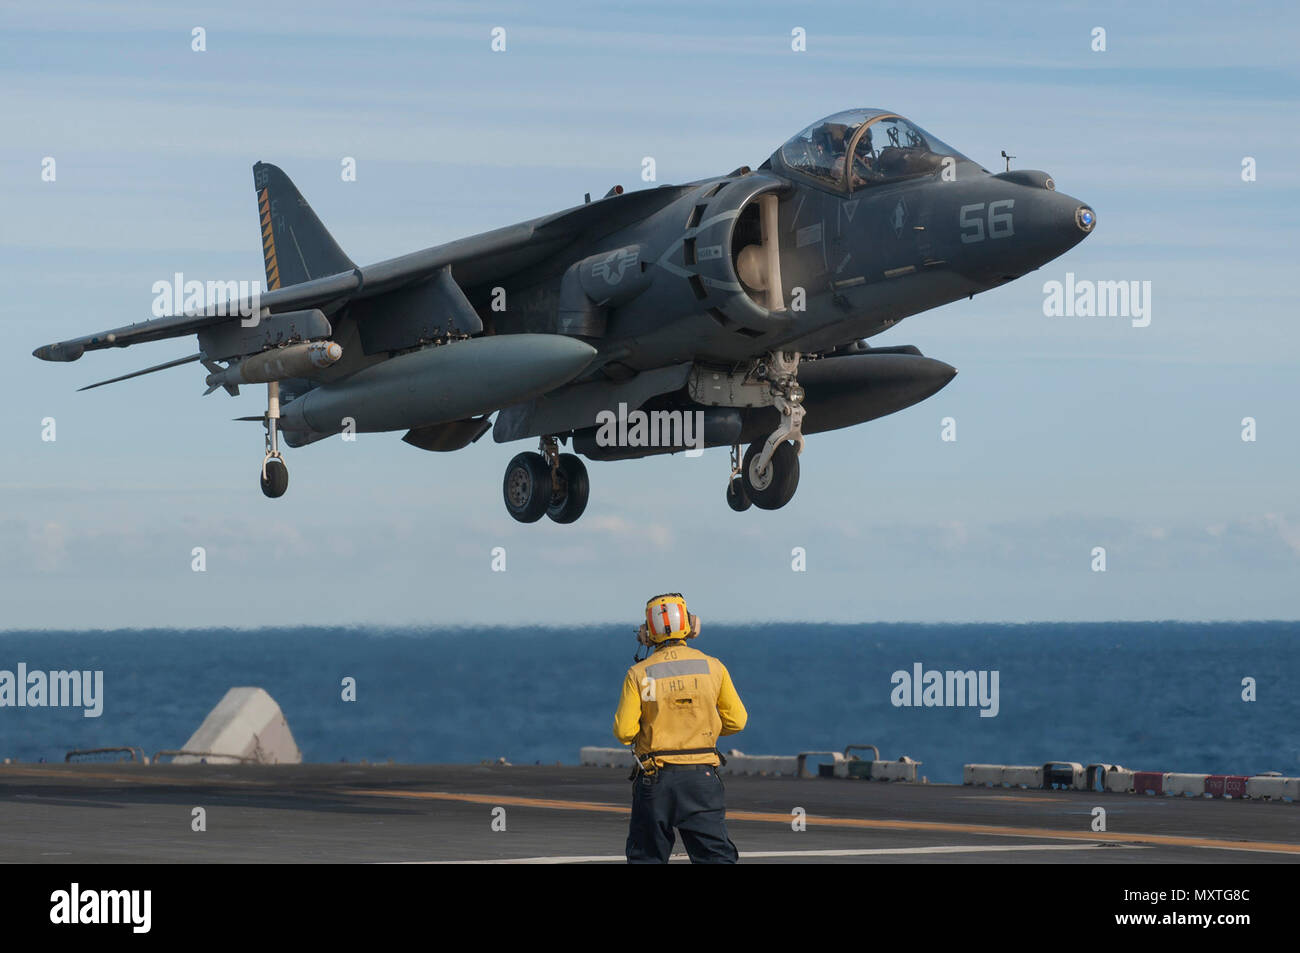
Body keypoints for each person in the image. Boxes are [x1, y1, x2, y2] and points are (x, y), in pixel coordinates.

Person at [612, 593, 748, 863]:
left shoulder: (639, 674)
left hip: (655, 780)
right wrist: (699, 728)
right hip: (702, 780)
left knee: (646, 857)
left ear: (647, 634)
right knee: (715, 857)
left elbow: (624, 732)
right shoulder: (714, 667)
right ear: (692, 625)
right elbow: (737, 721)